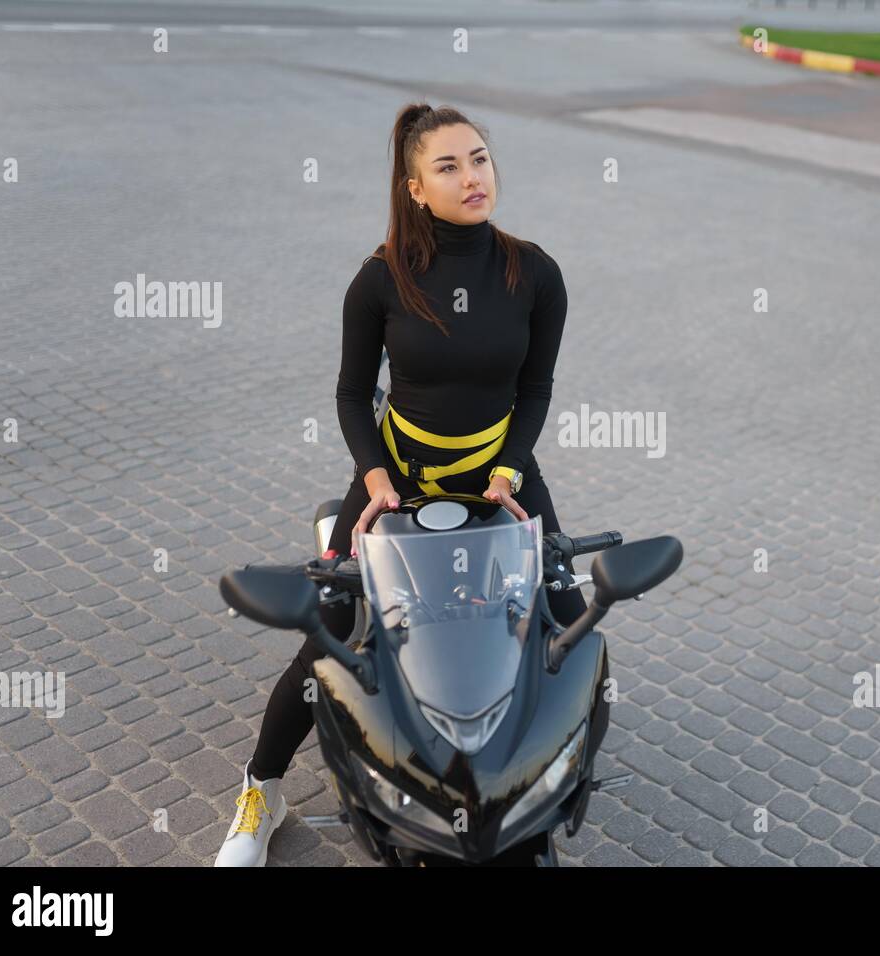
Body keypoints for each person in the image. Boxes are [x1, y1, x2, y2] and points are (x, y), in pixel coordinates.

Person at [215, 102, 587, 866]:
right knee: (328, 634)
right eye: (448, 166)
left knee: (569, 621)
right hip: (397, 477)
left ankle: (542, 779)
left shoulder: (535, 272)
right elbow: (353, 395)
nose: (472, 176)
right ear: (415, 187)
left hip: (502, 474)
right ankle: (262, 788)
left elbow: (538, 387)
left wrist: (512, 464)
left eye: (480, 158)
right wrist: (375, 476)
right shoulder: (380, 279)